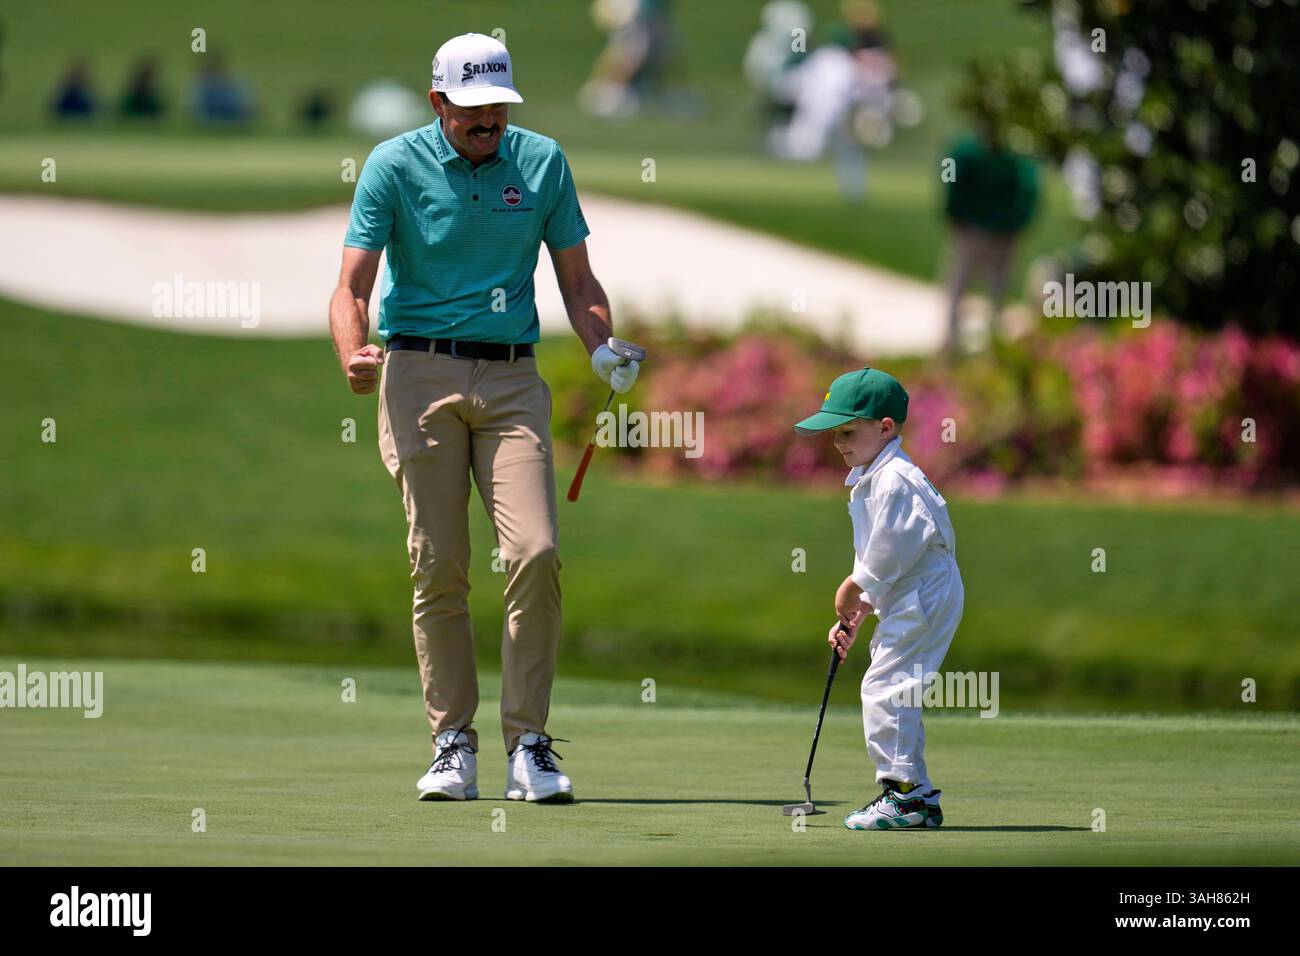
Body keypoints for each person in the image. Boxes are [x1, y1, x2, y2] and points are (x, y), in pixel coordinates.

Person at [330, 33, 637, 805]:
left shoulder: (541, 163)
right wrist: (352, 351)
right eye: (471, 108)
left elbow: (578, 277)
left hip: (512, 380)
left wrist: (602, 347)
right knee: (439, 565)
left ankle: (528, 742)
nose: (488, 121)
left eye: (497, 105)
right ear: (439, 103)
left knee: (534, 550)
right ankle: (452, 743)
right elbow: (352, 286)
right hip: (417, 372)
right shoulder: (393, 166)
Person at [792, 367, 963, 830]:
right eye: (834, 434)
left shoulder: (895, 481)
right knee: (891, 684)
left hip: (923, 592)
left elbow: (889, 552)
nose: (839, 442)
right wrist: (859, 611)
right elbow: (879, 554)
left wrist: (854, 586)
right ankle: (919, 795)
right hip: (908, 592)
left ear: (885, 427)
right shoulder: (872, 477)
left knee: (887, 687)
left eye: (848, 431)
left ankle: (904, 795)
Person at [942, 123, 1040, 358]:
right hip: (990, 229)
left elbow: (949, 175)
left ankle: (964, 345)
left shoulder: (968, 150)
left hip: (987, 230)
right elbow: (950, 175)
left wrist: (953, 212)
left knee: (967, 287)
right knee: (987, 288)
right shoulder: (972, 151)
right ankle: (965, 344)